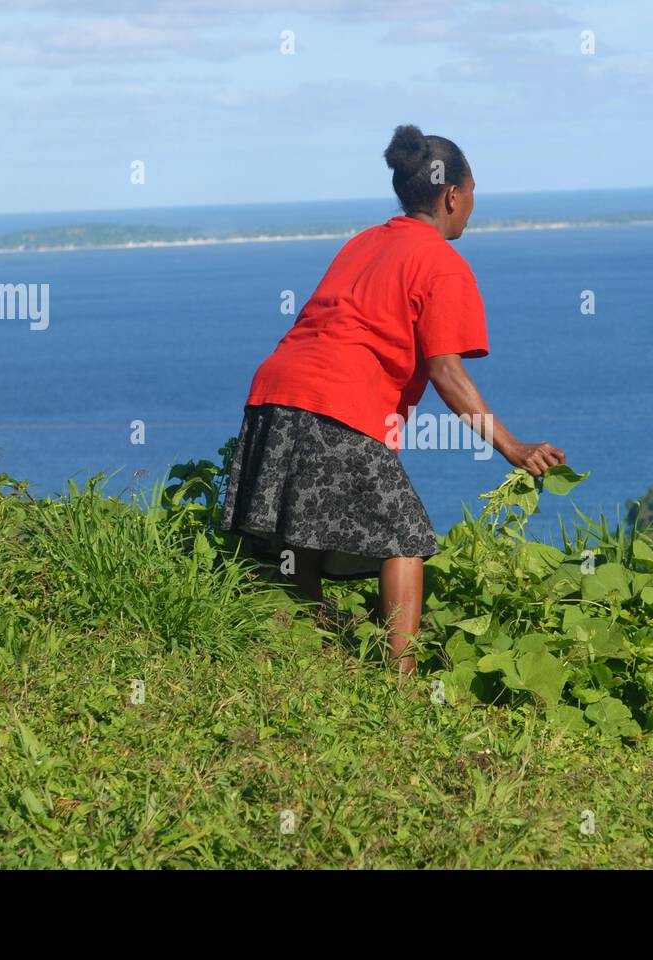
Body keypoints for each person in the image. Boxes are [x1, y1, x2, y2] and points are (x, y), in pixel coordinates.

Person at [221, 124, 565, 674]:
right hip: (337, 403)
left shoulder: (364, 242)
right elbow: (446, 371)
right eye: (472, 193)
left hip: (273, 394)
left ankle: (307, 659)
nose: (472, 206)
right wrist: (512, 447)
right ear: (453, 195)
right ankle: (399, 690)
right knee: (405, 536)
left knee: (303, 532)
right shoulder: (441, 262)